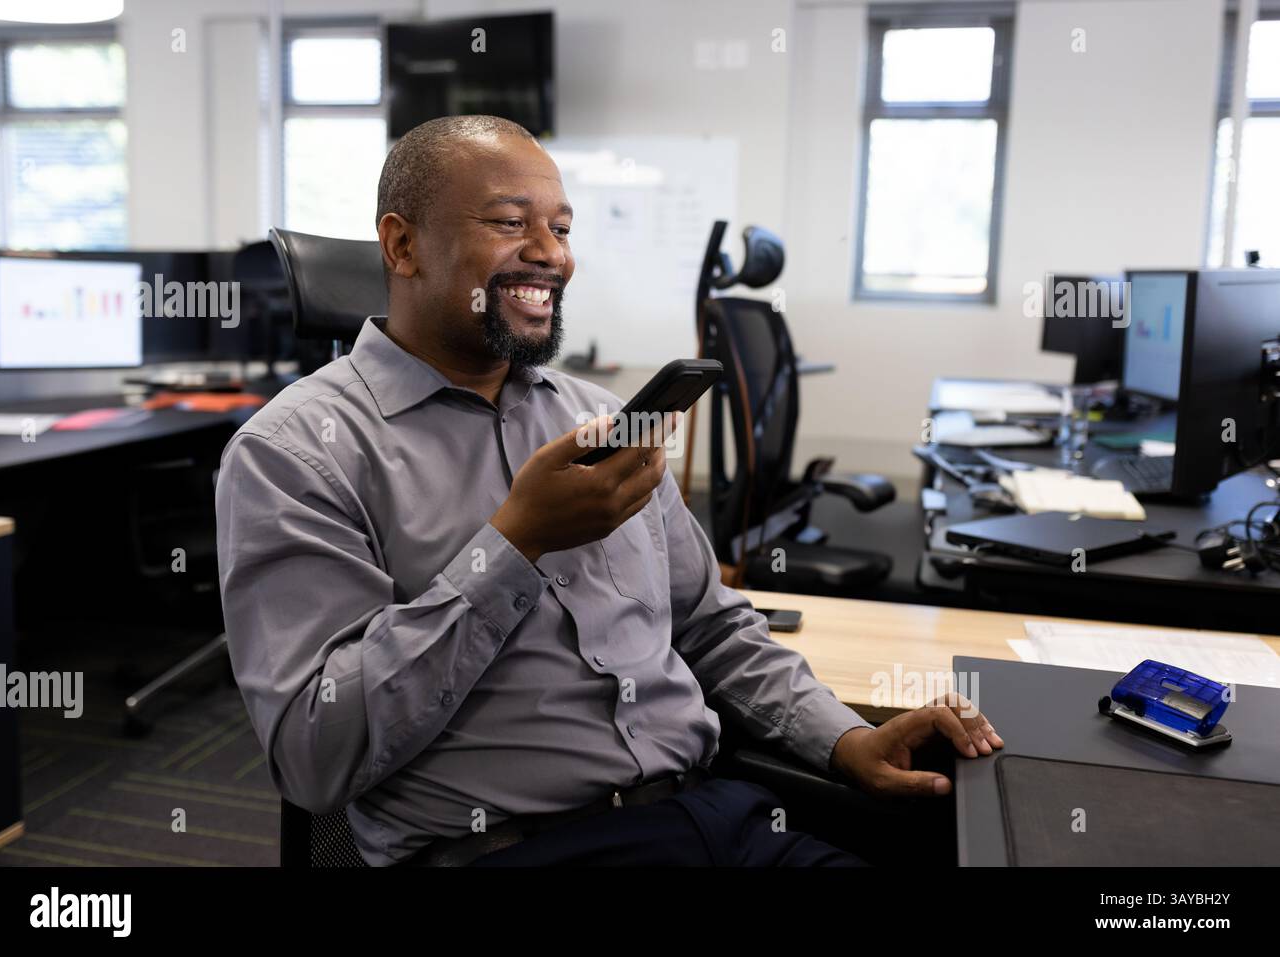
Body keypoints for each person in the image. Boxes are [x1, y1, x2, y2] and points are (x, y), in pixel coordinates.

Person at [214, 115, 1003, 867]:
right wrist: (514, 545)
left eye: (560, 228)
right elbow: (315, 753)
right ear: (403, 245)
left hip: (718, 815)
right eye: (508, 223)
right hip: (522, 847)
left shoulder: (600, 420)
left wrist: (842, 737)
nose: (548, 254)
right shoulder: (294, 454)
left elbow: (712, 627)